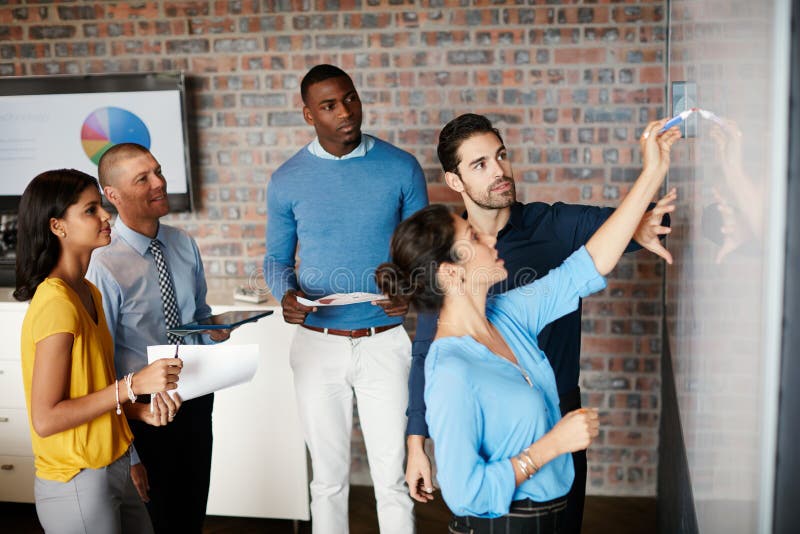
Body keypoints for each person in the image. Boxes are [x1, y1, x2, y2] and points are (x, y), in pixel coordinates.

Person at [378, 119, 680, 532]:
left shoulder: (510, 314)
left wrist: (652, 171)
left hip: (550, 516)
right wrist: (552, 446)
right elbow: (465, 494)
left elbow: (585, 267)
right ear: (451, 273)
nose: (490, 239)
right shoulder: (450, 370)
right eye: (474, 238)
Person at [264, 64, 428, 534]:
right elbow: (276, 260)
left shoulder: (401, 167)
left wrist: (408, 290)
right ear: (309, 115)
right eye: (329, 105)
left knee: (392, 479)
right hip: (318, 344)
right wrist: (286, 294)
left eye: (350, 98)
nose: (345, 112)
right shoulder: (287, 179)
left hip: (385, 341)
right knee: (328, 482)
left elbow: (422, 251)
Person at [15, 169, 182, 534]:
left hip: (113, 462)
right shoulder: (56, 303)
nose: (107, 215)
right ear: (57, 226)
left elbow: (89, 391)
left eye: (101, 206)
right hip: (77, 477)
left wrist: (137, 412)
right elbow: (46, 418)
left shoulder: (88, 292)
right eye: (91, 210)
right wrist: (133, 385)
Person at [86, 144, 229, 534]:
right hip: (141, 414)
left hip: (194, 402)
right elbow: (101, 363)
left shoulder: (183, 243)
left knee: (190, 518)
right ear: (113, 195)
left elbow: (198, 315)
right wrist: (130, 455)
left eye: (158, 171)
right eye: (143, 178)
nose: (159, 183)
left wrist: (213, 332)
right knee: (156, 523)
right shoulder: (102, 263)